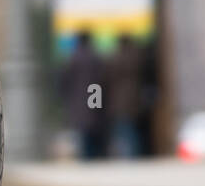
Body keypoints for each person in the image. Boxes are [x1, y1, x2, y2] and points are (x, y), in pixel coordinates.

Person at [59, 29, 108, 160]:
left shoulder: (73, 58)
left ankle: (86, 159)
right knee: (94, 130)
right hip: (95, 98)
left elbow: (64, 81)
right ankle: (94, 156)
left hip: (79, 100)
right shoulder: (96, 57)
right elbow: (102, 80)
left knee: (83, 133)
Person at [107, 33, 145, 158]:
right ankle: (134, 155)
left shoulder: (116, 58)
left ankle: (128, 156)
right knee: (132, 130)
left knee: (124, 131)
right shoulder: (137, 57)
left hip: (120, 100)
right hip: (135, 99)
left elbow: (106, 78)